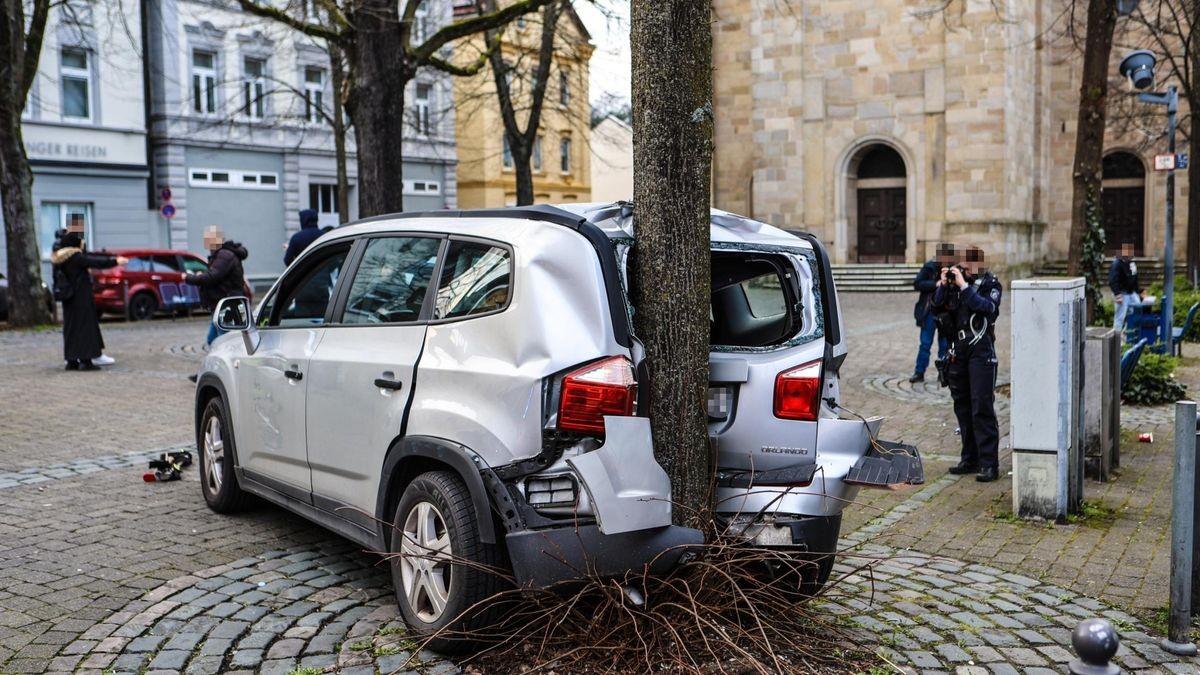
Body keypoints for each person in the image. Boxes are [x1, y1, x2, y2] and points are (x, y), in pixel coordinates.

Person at [932, 245, 1003, 483]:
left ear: (977, 265)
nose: (962, 268)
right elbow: (936, 307)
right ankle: (969, 458)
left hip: (981, 352)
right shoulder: (954, 285)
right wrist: (942, 285)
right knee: (962, 406)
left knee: (981, 406)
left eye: (967, 264)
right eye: (961, 263)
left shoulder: (989, 284)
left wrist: (964, 286)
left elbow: (989, 309)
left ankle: (989, 463)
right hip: (958, 351)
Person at [50, 222, 128, 371]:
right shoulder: (76, 257)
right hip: (81, 297)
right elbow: (95, 262)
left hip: (68, 299)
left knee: (71, 328)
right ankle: (86, 361)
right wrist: (115, 261)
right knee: (86, 328)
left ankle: (72, 360)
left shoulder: (59, 258)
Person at [185, 225, 248, 345]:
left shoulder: (225, 255)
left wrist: (189, 278)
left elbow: (212, 276)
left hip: (226, 305)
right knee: (212, 340)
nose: (206, 242)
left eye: (208, 239)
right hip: (221, 304)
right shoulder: (221, 254)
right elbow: (215, 274)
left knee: (224, 342)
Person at [909, 243, 954, 383]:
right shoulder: (929, 267)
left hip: (946, 312)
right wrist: (936, 284)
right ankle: (919, 372)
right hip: (929, 311)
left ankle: (944, 373)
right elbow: (917, 283)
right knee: (925, 343)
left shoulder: (954, 270)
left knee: (945, 345)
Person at [1109, 241, 1142, 338]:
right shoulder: (1117, 264)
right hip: (1122, 293)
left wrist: (1138, 291)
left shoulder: (1131, 263)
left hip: (1131, 293)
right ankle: (1116, 338)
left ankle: (1127, 332)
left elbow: (1134, 277)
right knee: (1120, 316)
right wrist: (1117, 294)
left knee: (1138, 309)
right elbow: (1113, 280)